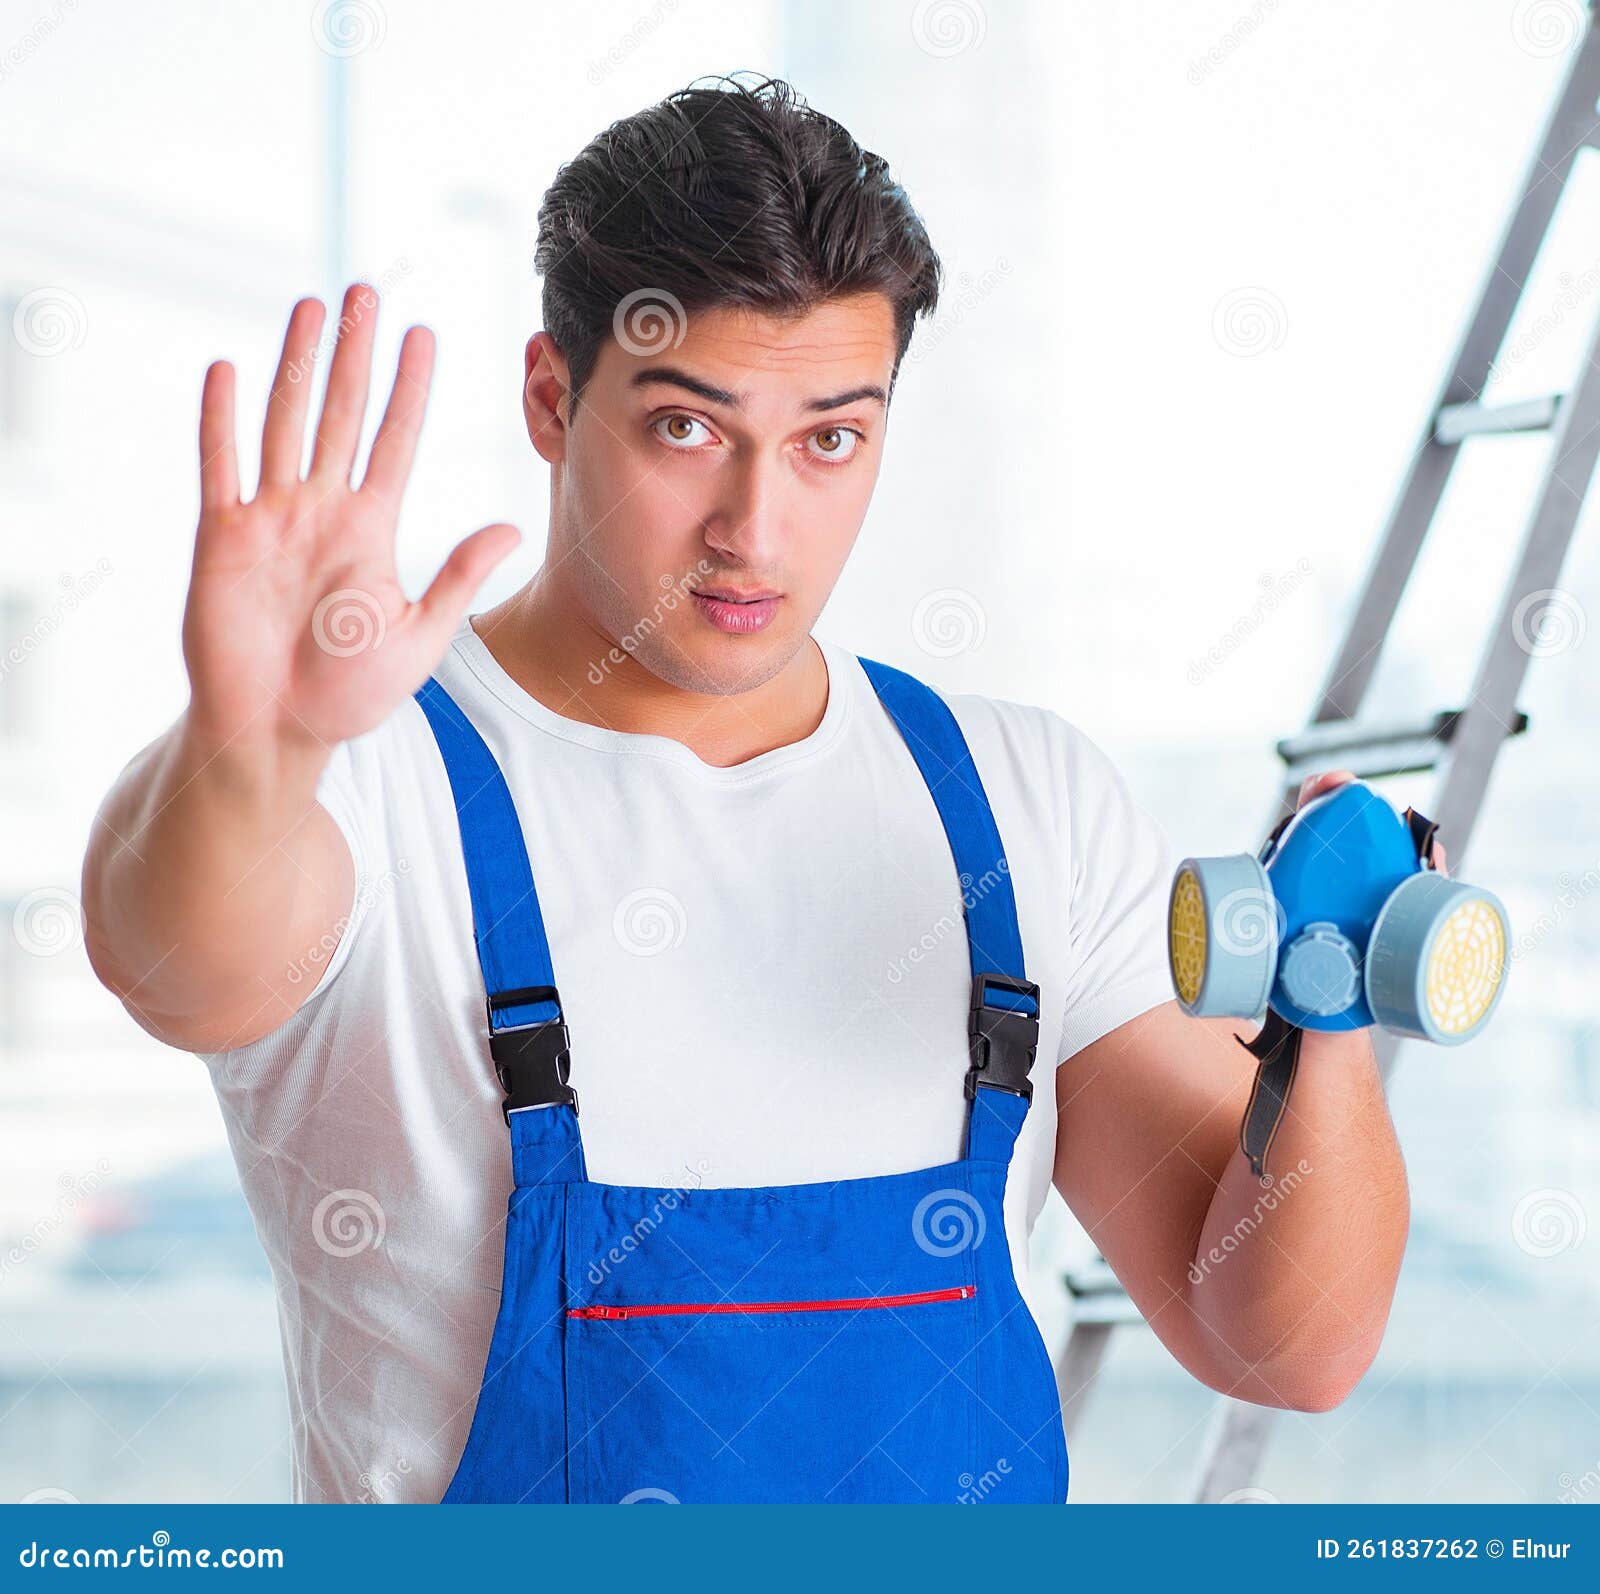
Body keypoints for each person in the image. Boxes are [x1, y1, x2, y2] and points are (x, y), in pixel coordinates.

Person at [80, 74, 1410, 1505]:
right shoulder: (373, 778)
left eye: (830, 438)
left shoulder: (1024, 798)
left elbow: (1283, 1344)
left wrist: (1321, 1026)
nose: (755, 529)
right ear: (551, 395)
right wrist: (253, 749)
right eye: (688, 428)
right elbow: (179, 964)